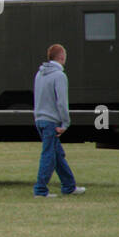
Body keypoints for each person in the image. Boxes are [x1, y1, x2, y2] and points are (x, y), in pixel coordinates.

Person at [33, 43, 85, 197]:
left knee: (57, 154)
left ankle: (69, 186)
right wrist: (65, 123)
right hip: (51, 121)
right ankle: (40, 190)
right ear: (61, 57)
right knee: (48, 155)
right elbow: (61, 103)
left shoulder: (39, 74)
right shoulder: (59, 76)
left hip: (39, 119)